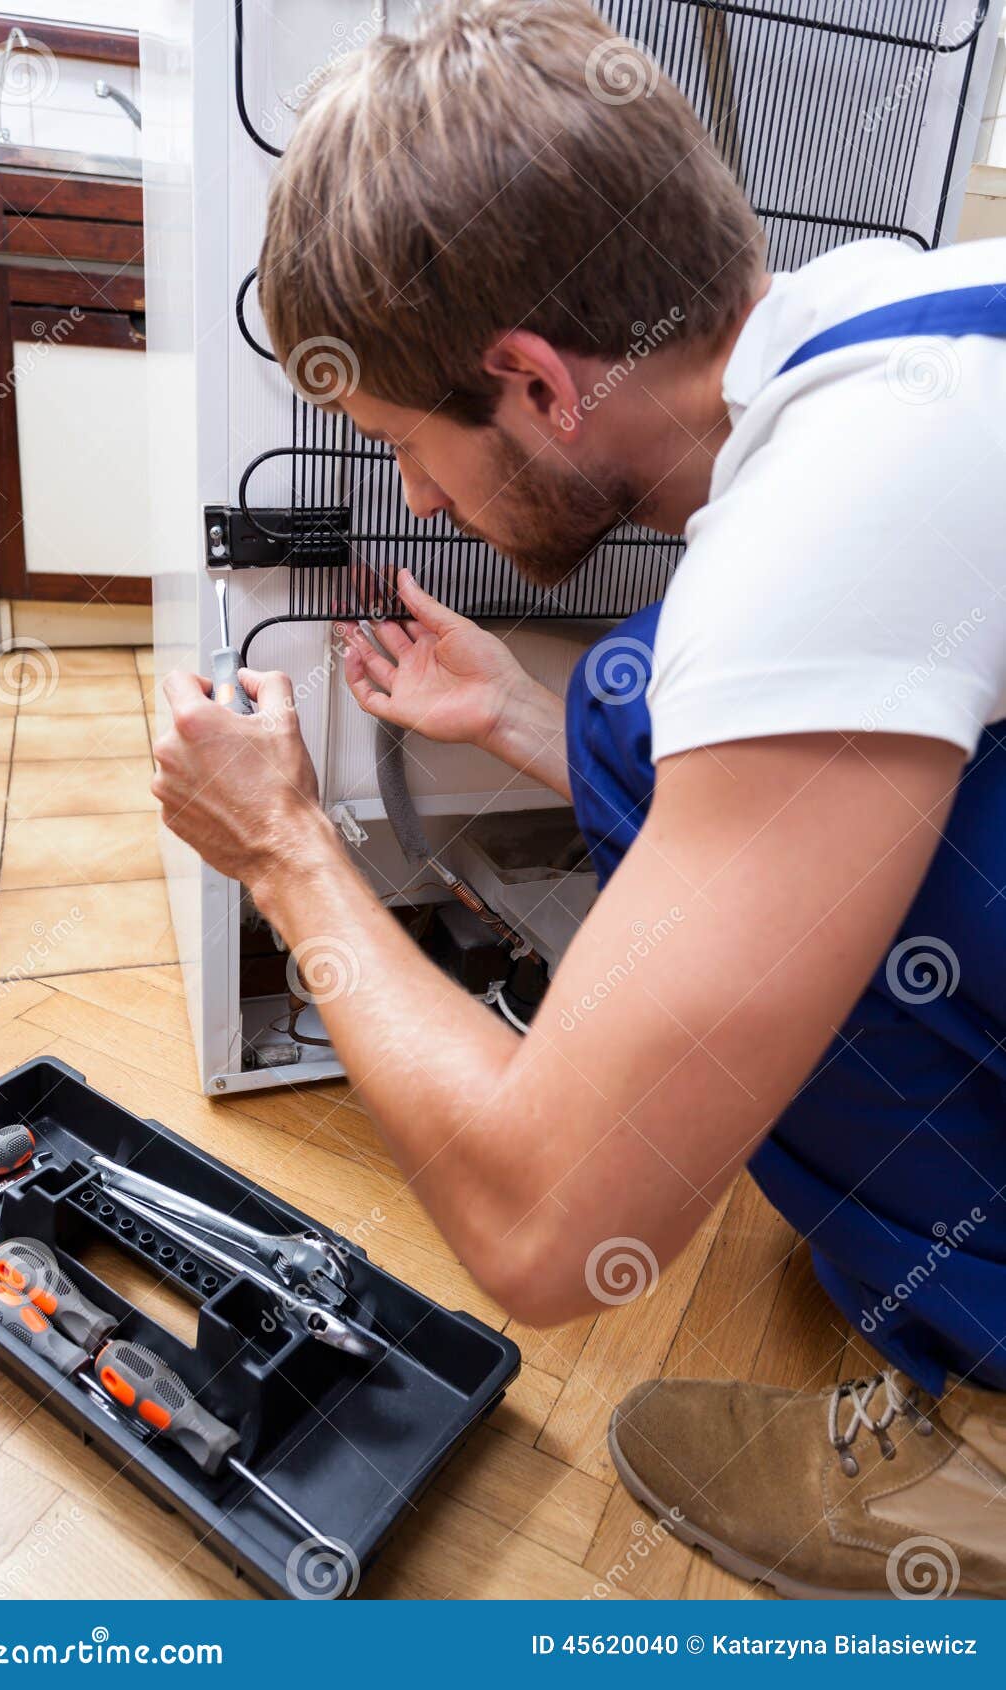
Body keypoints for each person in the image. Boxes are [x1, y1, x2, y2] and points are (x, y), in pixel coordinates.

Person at [152, 0, 1006, 1597]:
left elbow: (548, 1234)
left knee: (666, 690)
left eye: (403, 442)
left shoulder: (833, 518)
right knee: (629, 704)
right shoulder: (883, 320)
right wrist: (523, 722)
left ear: (535, 382)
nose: (407, 494)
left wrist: (280, 845)